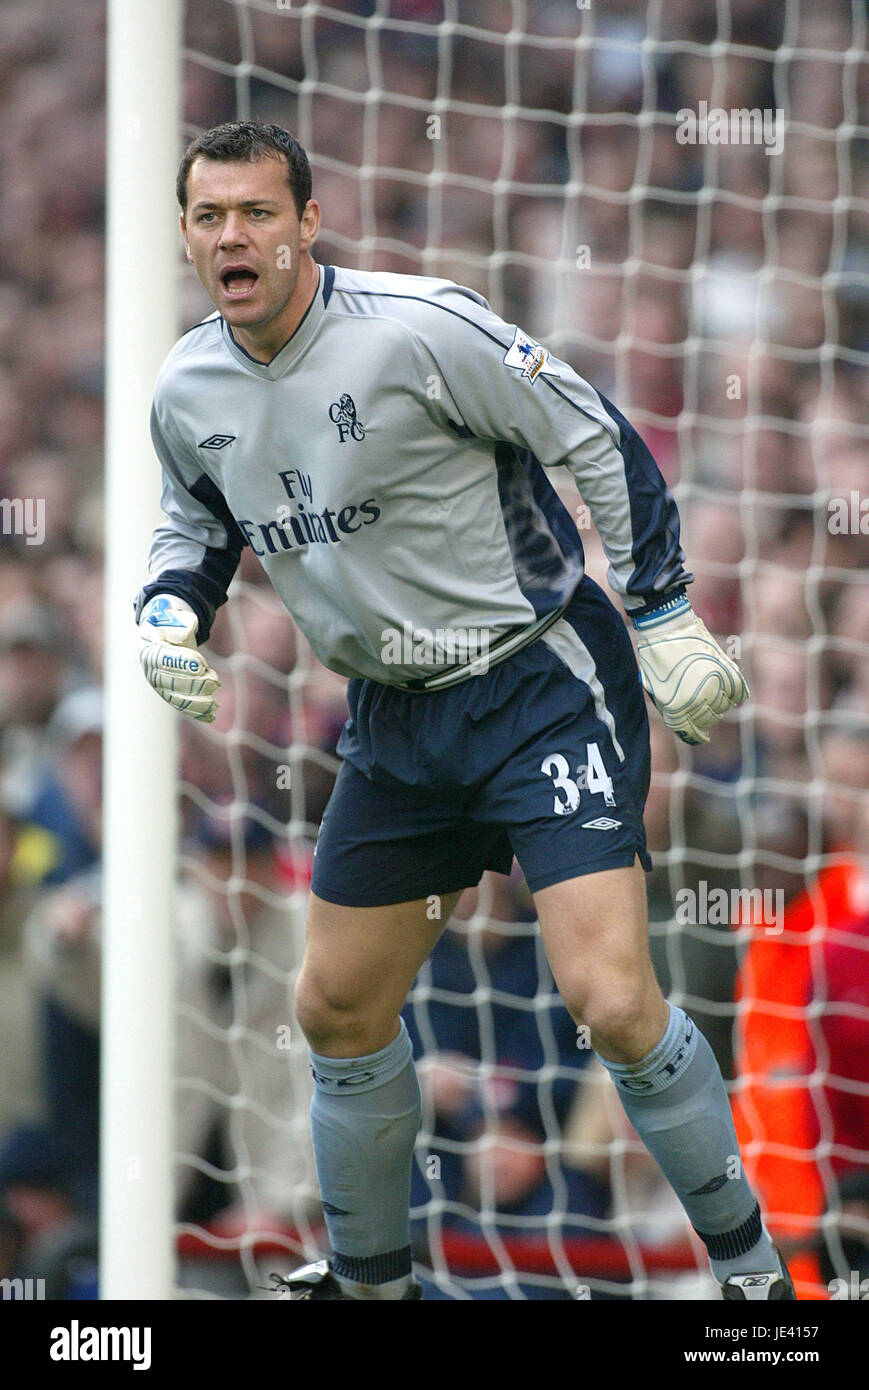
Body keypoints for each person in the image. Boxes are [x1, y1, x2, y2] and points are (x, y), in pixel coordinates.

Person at [134, 120, 792, 1301]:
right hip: (390, 715)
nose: (232, 235)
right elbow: (196, 526)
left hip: (537, 681)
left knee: (610, 999)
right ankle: (376, 1284)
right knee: (335, 1006)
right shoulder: (187, 390)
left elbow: (589, 426)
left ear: (307, 223)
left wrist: (662, 610)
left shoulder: (419, 327)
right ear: (187, 233)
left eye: (256, 213)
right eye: (209, 216)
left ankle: (750, 1276)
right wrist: (168, 616)